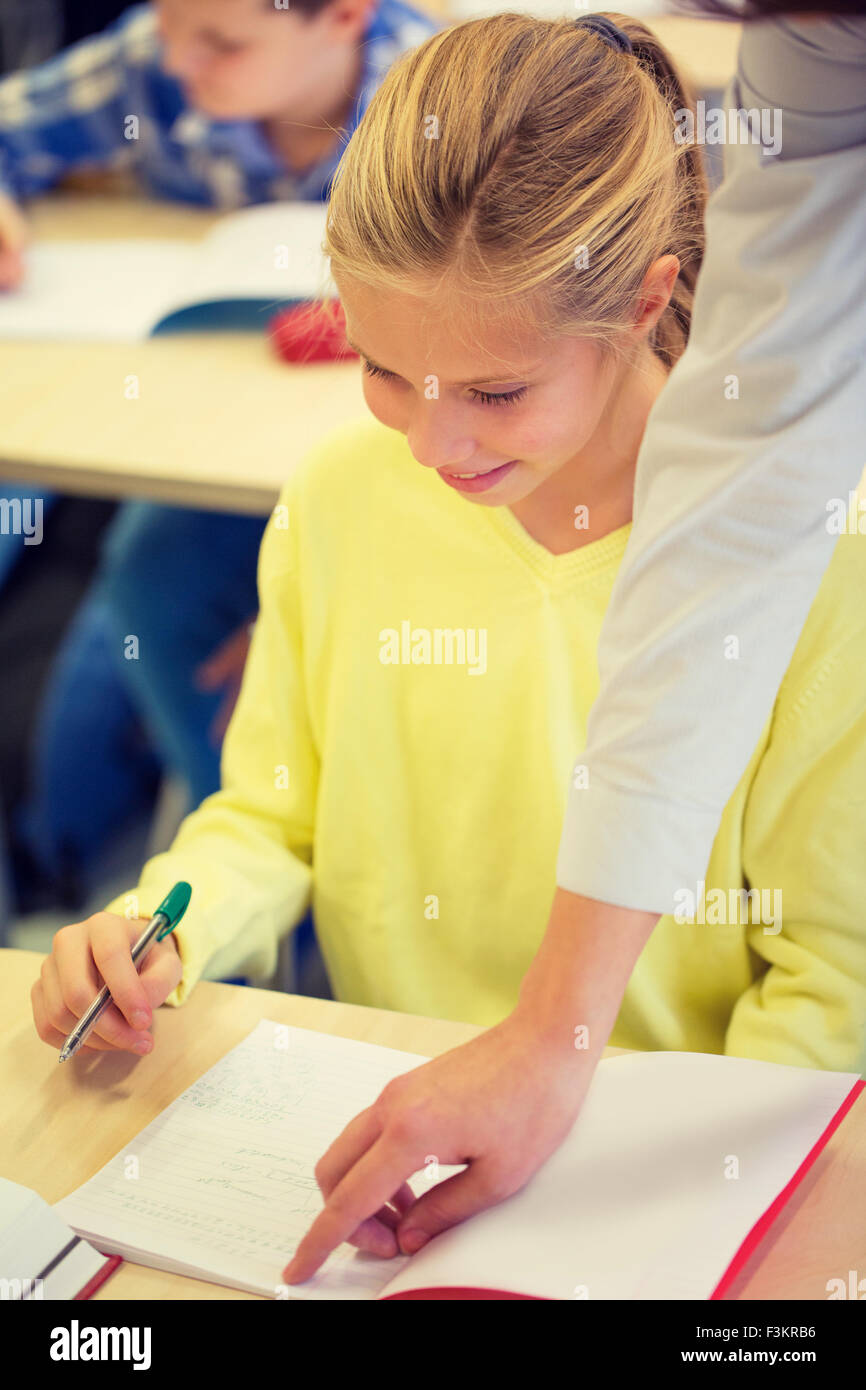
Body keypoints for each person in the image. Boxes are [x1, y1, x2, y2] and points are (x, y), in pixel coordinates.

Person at [31, 11, 866, 1290]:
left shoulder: (825, 562)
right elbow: (270, 815)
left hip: (654, 1180)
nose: (431, 447)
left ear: (644, 301)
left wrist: (602, 1150)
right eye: (381, 367)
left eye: (493, 392)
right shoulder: (341, 495)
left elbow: (827, 979)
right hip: (383, 1141)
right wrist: (162, 925)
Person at [0, 0, 438, 908]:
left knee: (179, 597)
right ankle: (223, 847)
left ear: (346, 17)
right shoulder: (167, 51)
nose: (176, 62)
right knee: (142, 569)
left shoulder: (436, 107)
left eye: (221, 47)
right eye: (165, 29)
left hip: (406, 456)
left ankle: (289, 870)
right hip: (193, 431)